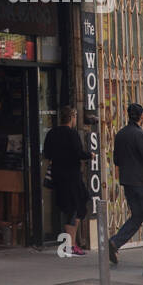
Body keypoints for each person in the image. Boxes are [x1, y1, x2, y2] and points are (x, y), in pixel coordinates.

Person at [109, 102, 143, 276]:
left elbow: (116, 160)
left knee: (138, 216)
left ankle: (115, 243)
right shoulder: (141, 135)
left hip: (129, 183)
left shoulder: (120, 135)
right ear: (141, 117)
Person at [43, 105, 90, 255]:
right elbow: (78, 153)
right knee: (75, 209)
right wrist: (90, 155)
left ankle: (71, 243)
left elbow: (47, 153)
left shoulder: (52, 133)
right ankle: (70, 245)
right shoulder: (72, 134)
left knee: (72, 208)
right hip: (72, 177)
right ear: (71, 118)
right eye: (75, 117)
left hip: (59, 176)